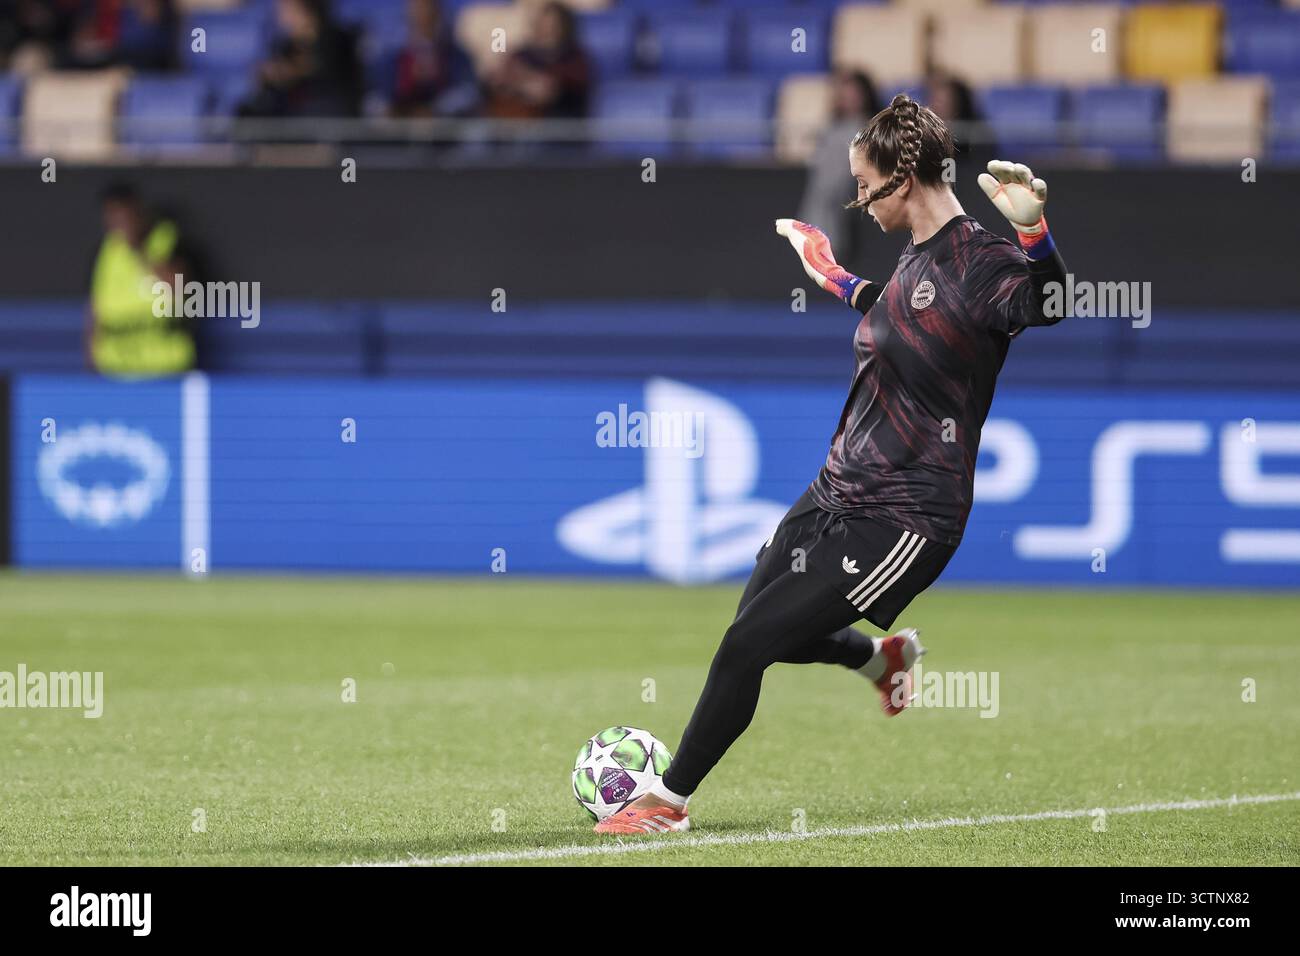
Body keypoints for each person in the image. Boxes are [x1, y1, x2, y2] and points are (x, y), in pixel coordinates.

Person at [594, 94, 1069, 835]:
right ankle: (884, 663)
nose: (856, 199)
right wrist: (835, 278)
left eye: (862, 184)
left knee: (747, 645)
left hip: (906, 516)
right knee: (761, 623)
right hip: (834, 491)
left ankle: (668, 802)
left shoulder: (984, 260)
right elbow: (907, 314)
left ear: (900, 181)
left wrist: (1034, 231)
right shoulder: (917, 256)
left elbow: (1049, 305)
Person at [87, 182, 195, 378]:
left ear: (139, 212)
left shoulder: (169, 240)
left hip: (166, 371)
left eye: (124, 215)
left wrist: (138, 250)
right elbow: (95, 309)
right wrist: (93, 362)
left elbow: (179, 288)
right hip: (116, 371)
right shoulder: (105, 251)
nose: (120, 223)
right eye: (113, 216)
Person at [798, 70, 880, 258]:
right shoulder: (831, 130)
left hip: (845, 215)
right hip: (819, 207)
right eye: (844, 96)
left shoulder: (869, 131)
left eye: (854, 96)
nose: (849, 101)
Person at [239, 0, 361, 119]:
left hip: (330, 115)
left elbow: (320, 69)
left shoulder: (337, 38)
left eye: (287, 8)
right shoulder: (285, 46)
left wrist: (286, 73)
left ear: (305, 8)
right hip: (293, 117)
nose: (281, 14)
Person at [481, 0, 589, 120]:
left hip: (562, 123)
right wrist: (522, 84)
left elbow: (554, 89)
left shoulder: (575, 57)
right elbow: (499, 82)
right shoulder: (521, 55)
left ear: (564, 27)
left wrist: (544, 85)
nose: (548, 31)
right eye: (543, 26)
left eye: (554, 26)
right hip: (520, 122)